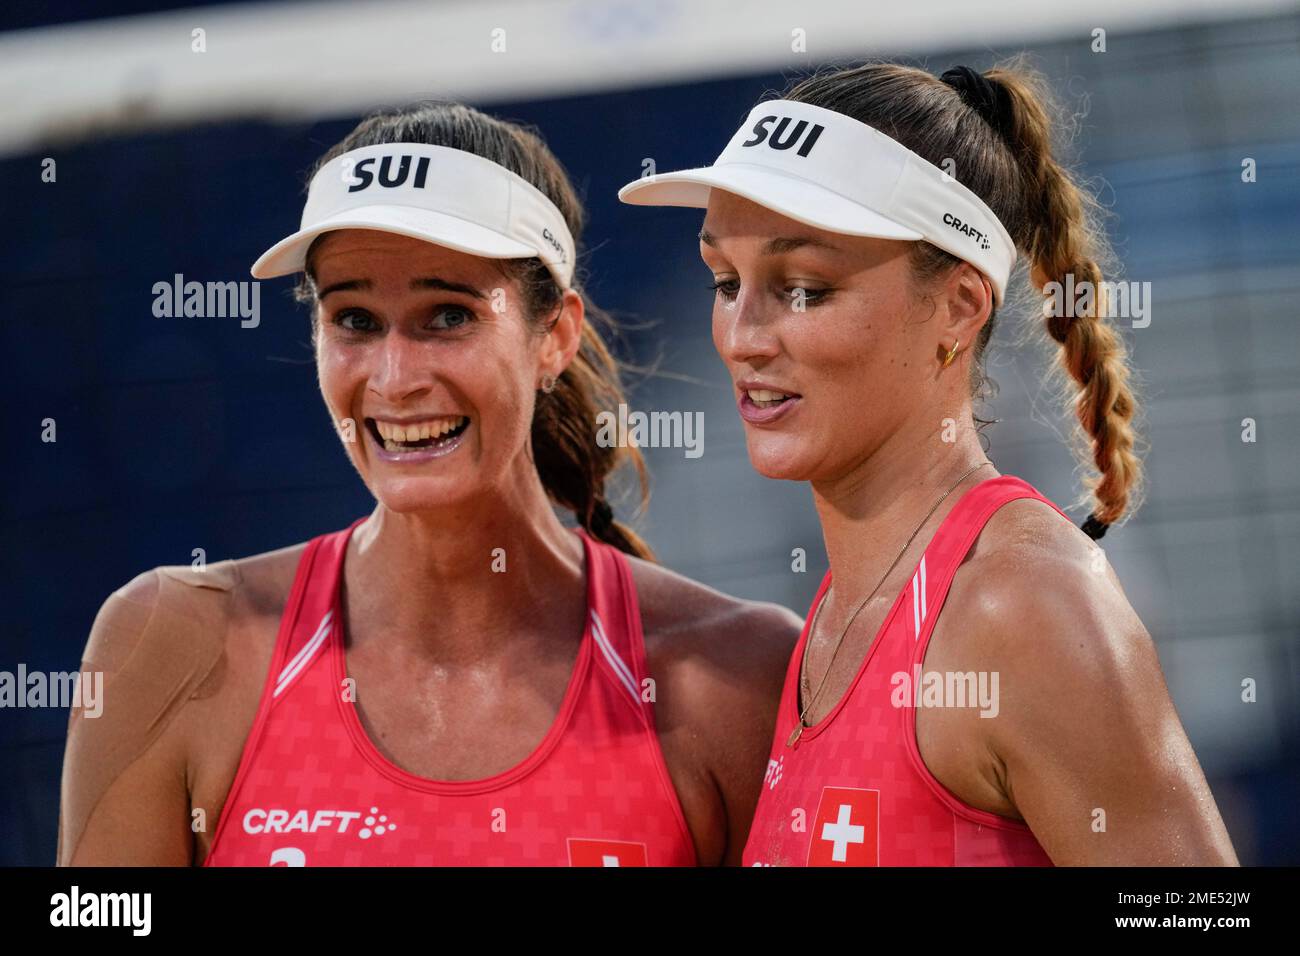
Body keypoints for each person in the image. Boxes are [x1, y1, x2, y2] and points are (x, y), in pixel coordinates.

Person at [58, 101, 801, 867]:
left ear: (555, 337)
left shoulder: (736, 674)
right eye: (354, 320)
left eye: (447, 315)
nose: (396, 377)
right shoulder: (168, 644)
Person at [619, 58, 1239, 865]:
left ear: (957, 305)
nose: (742, 336)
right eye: (725, 280)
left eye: (804, 287)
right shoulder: (836, 621)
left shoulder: (1023, 606)